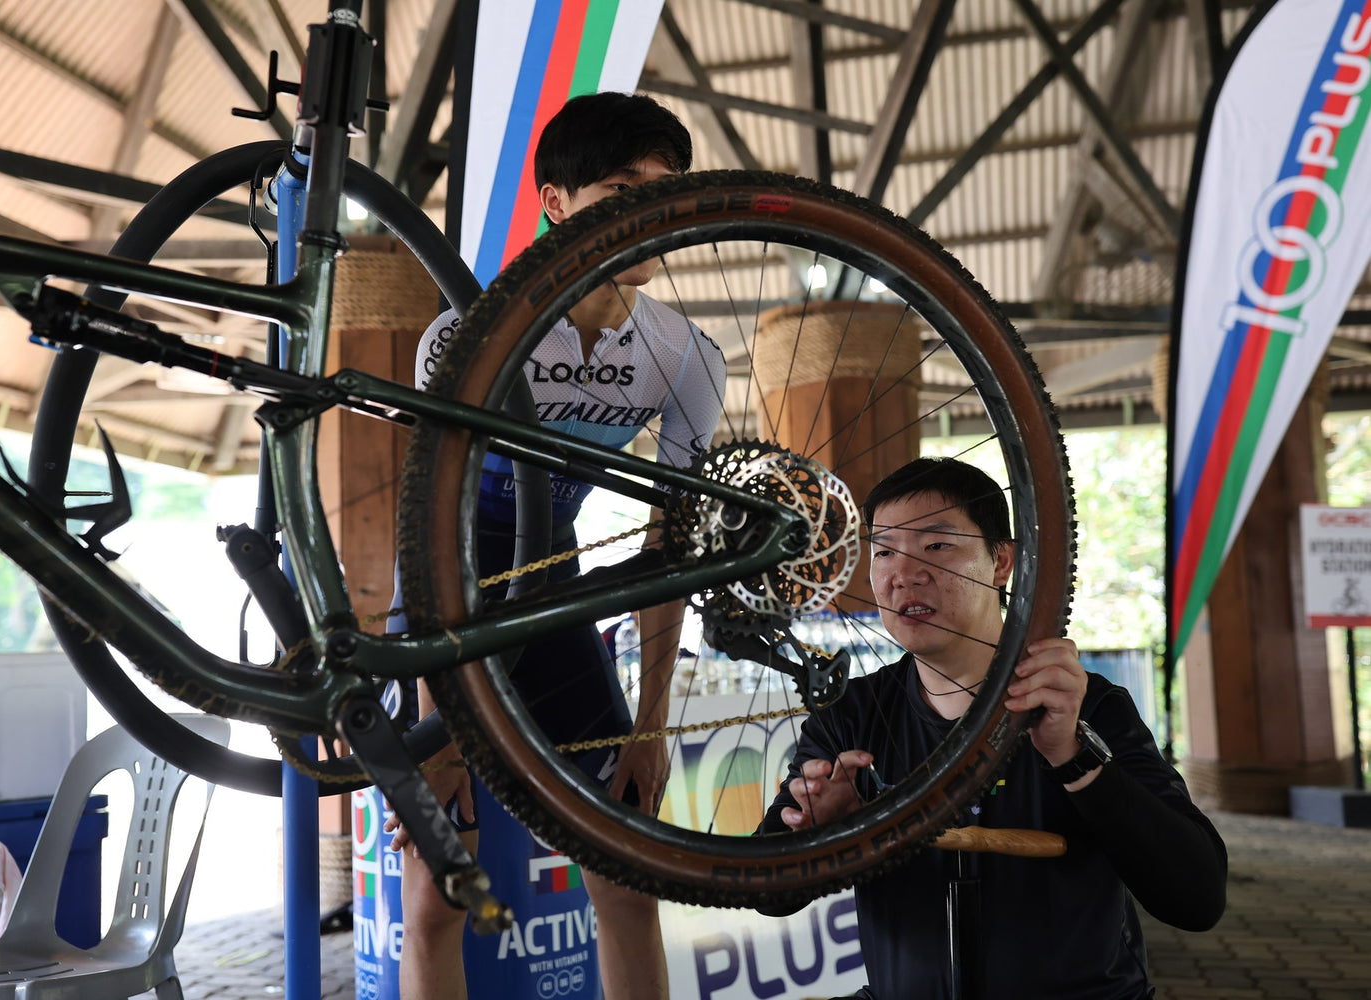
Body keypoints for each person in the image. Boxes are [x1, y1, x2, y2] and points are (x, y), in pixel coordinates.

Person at [388, 91, 726, 1000]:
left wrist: (651, 724)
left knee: (626, 873)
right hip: (441, 595)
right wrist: (442, 717)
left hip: (552, 587)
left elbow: (674, 548)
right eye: (624, 185)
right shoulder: (463, 333)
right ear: (555, 202)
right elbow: (432, 530)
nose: (652, 209)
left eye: (668, 189)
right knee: (434, 894)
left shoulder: (688, 354)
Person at [757, 456, 1228, 1000]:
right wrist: (820, 835)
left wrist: (1074, 758)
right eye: (883, 550)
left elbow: (1197, 900)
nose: (903, 572)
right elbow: (770, 894)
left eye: (936, 546)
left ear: (1001, 561)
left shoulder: (1084, 706)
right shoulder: (850, 714)